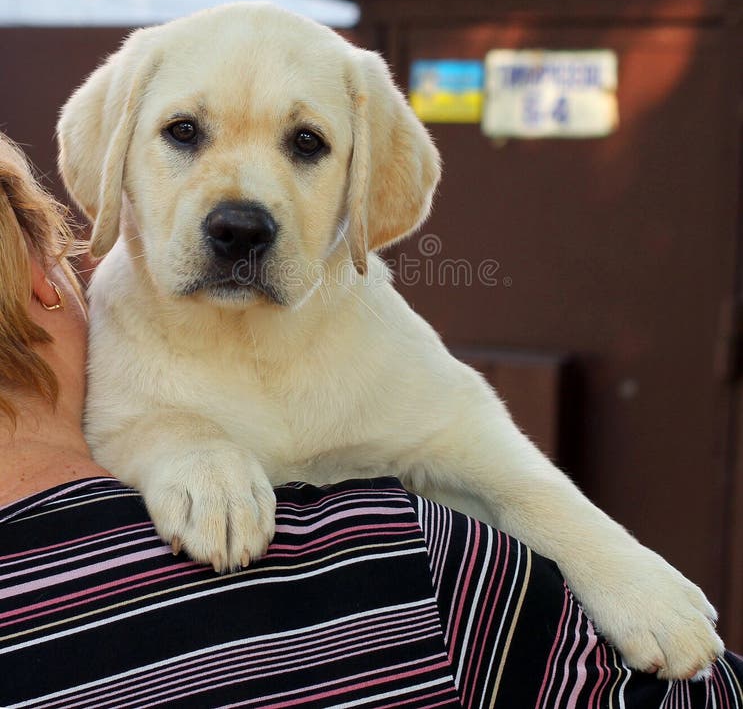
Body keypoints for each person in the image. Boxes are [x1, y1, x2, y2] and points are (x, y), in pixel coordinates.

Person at [0, 129, 741, 709]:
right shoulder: (417, 566)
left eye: (305, 144)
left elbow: (463, 439)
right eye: (185, 132)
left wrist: (606, 561)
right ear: (46, 282)